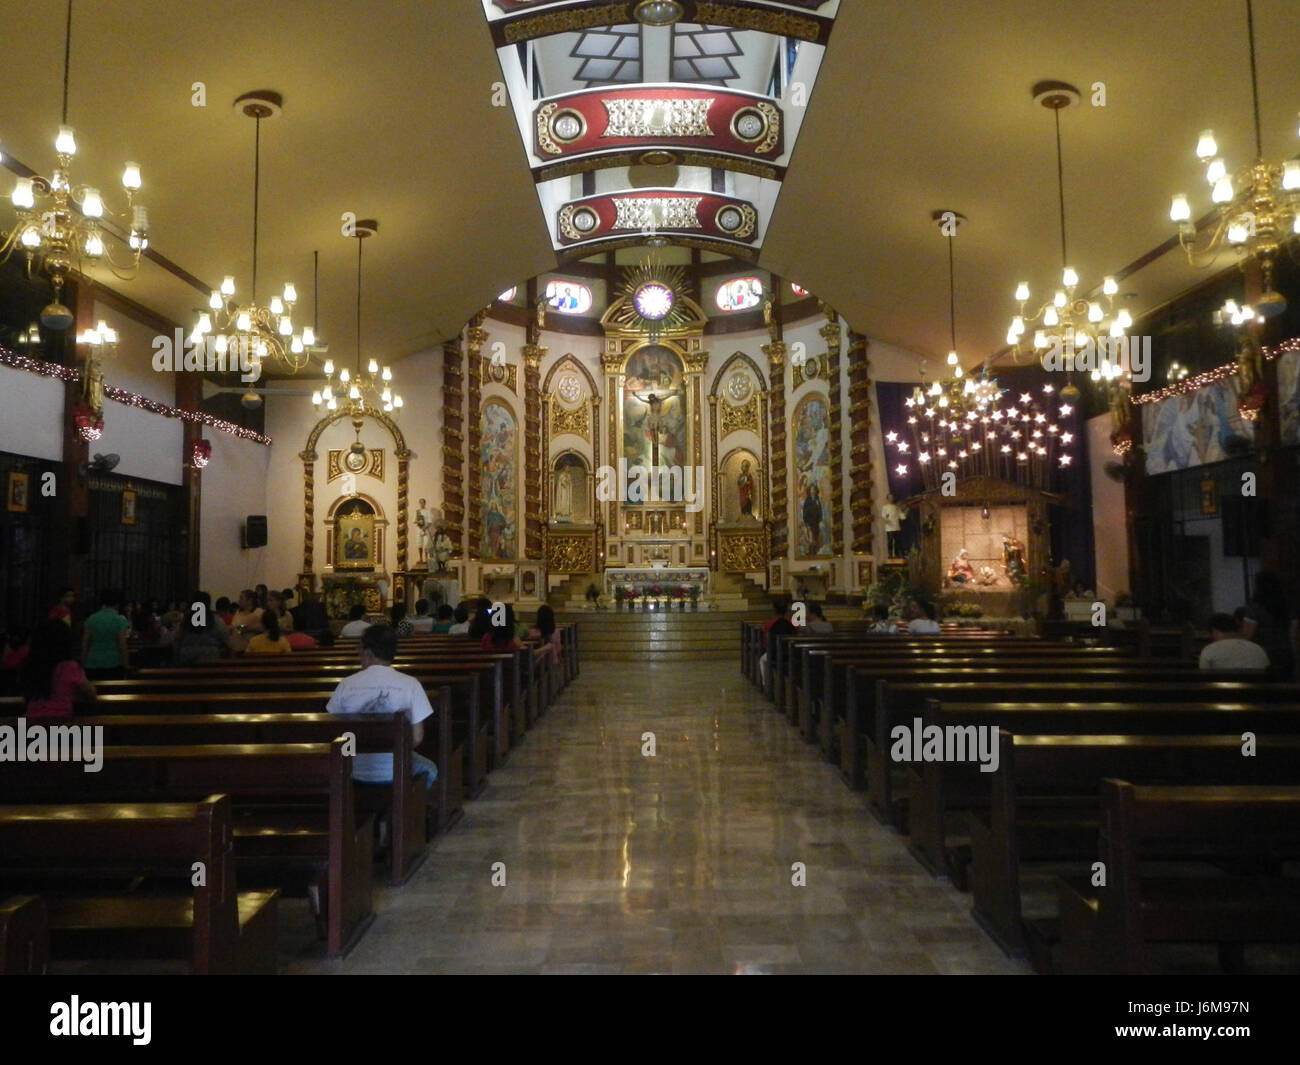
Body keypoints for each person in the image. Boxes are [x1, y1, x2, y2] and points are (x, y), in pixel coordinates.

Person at [326, 623, 437, 789]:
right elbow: (417, 737)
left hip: (352, 768)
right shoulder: (410, 684)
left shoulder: (346, 684)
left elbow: (333, 727)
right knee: (431, 769)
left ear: (368, 653)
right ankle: (412, 809)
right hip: (395, 767)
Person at [23, 619, 96, 719]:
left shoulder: (31, 666)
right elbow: (90, 693)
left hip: (31, 721)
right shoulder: (70, 667)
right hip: (61, 721)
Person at [1240, 571, 1294, 679]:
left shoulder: (1254, 608)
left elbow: (1247, 636)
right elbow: (1294, 634)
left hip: (1263, 653)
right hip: (1286, 651)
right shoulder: (1287, 606)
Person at [82, 588, 130, 680]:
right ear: (118, 603)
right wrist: (126, 665)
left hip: (92, 662)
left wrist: (83, 663)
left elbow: (85, 644)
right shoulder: (120, 620)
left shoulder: (91, 619)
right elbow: (122, 644)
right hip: (114, 662)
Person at [1199, 612, 1270, 671]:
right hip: (1257, 687)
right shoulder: (1258, 649)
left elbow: (1204, 674)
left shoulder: (1209, 650)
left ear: (1215, 631)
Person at [174, 591, 230, 666]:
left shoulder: (185, 620)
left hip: (187, 661)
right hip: (211, 660)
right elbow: (226, 639)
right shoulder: (216, 620)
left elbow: (177, 639)